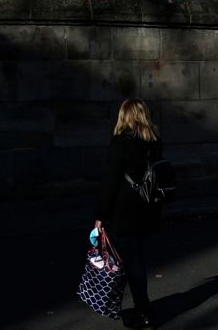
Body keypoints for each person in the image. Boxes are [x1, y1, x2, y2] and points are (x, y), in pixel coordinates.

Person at [95, 99, 162, 329]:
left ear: (124, 115)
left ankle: (144, 312)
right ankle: (141, 309)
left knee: (130, 264)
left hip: (124, 213)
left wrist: (100, 216)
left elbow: (110, 182)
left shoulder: (120, 143)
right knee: (135, 259)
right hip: (147, 210)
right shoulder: (154, 142)